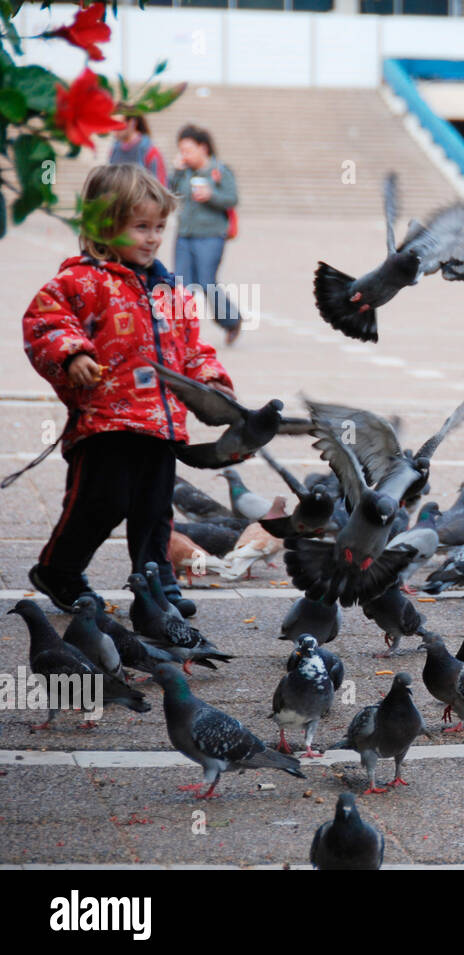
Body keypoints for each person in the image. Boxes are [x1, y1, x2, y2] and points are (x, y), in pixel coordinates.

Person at [21, 164, 234, 618]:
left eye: (159, 227)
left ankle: (156, 591)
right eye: (141, 227)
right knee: (101, 503)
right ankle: (59, 569)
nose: (153, 237)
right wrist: (73, 353)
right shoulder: (81, 280)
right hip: (105, 420)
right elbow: (44, 322)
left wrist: (211, 380)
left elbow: (190, 347)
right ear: (103, 225)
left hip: (162, 423)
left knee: (155, 512)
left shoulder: (170, 289)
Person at [168, 124, 241, 345]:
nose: (184, 155)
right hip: (185, 235)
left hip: (210, 236)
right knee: (181, 284)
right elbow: (170, 193)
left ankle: (231, 321)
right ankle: (178, 331)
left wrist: (211, 195)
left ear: (203, 148)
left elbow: (232, 198)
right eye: (181, 150)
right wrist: (177, 172)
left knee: (207, 283)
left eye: (188, 150)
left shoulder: (219, 171)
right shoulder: (184, 173)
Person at [108, 114, 167, 184]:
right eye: (112, 124)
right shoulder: (114, 150)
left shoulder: (150, 151)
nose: (114, 130)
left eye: (118, 125)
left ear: (132, 123)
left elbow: (160, 186)